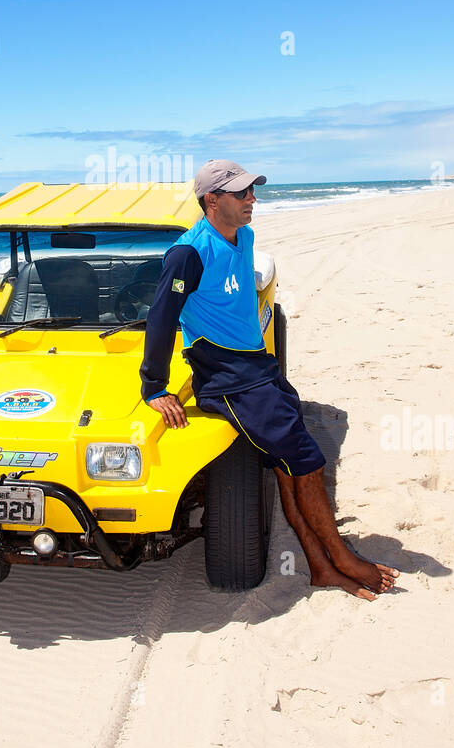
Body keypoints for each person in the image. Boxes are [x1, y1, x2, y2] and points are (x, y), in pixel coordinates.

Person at [140, 159, 398, 600]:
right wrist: (154, 387)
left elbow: (239, 294)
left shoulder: (244, 237)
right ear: (212, 200)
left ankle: (320, 566)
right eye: (242, 194)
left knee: (287, 463)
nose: (252, 200)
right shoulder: (187, 254)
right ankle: (341, 557)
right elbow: (161, 318)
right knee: (308, 460)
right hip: (227, 376)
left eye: (252, 192)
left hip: (258, 367)